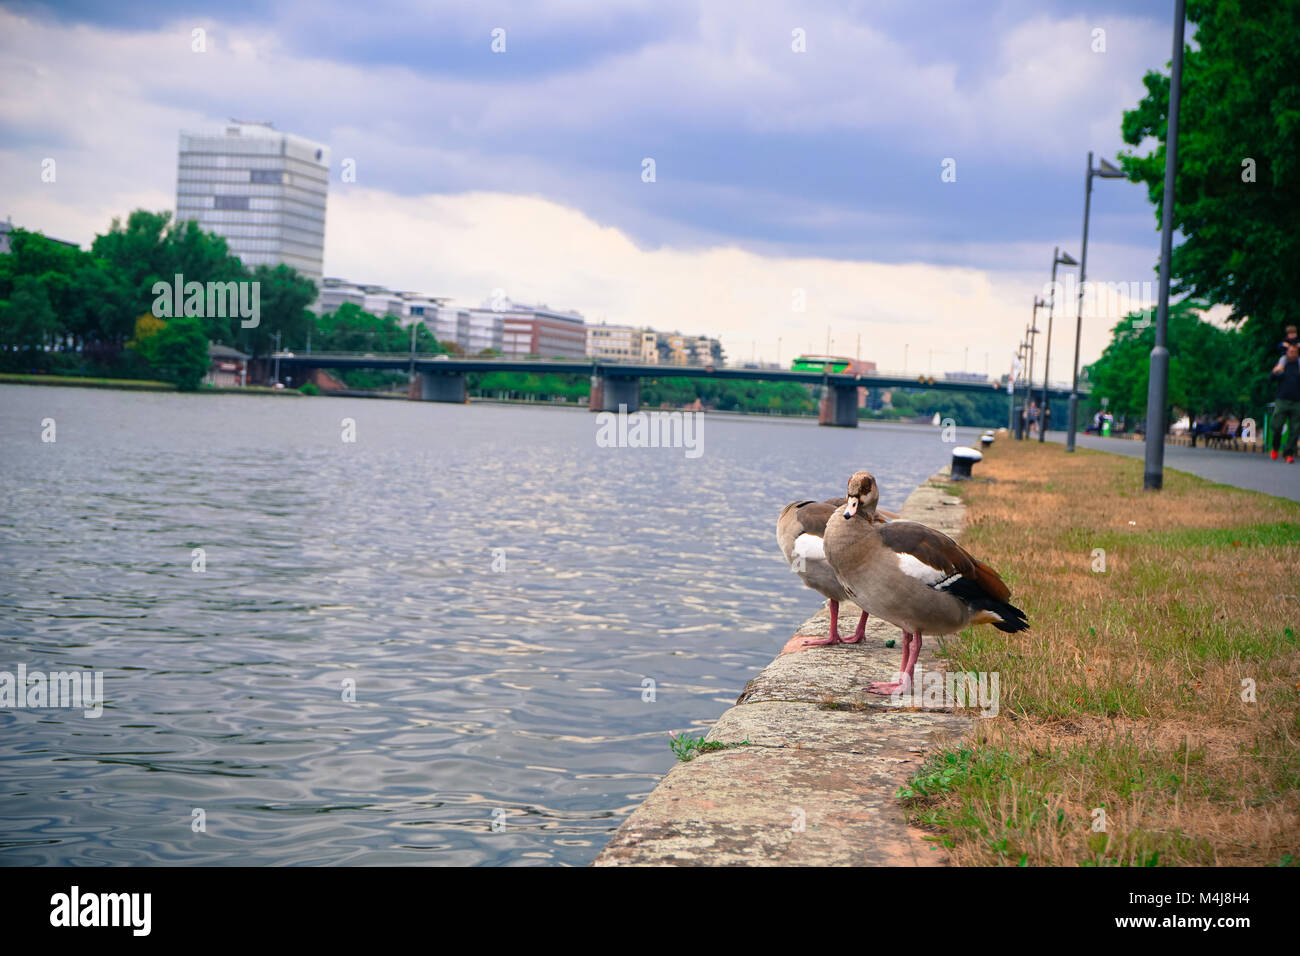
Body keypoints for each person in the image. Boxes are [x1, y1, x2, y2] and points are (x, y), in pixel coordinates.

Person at [1270, 342, 1300, 462]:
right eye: (1290, 352)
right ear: (1287, 353)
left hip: (1297, 402)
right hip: (1282, 400)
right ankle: (1275, 447)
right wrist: (1274, 371)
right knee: (1277, 426)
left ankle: (1289, 454)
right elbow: (1270, 379)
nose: (1292, 354)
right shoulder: (1282, 364)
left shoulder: (1298, 365)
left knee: (1295, 429)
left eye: (1294, 352)